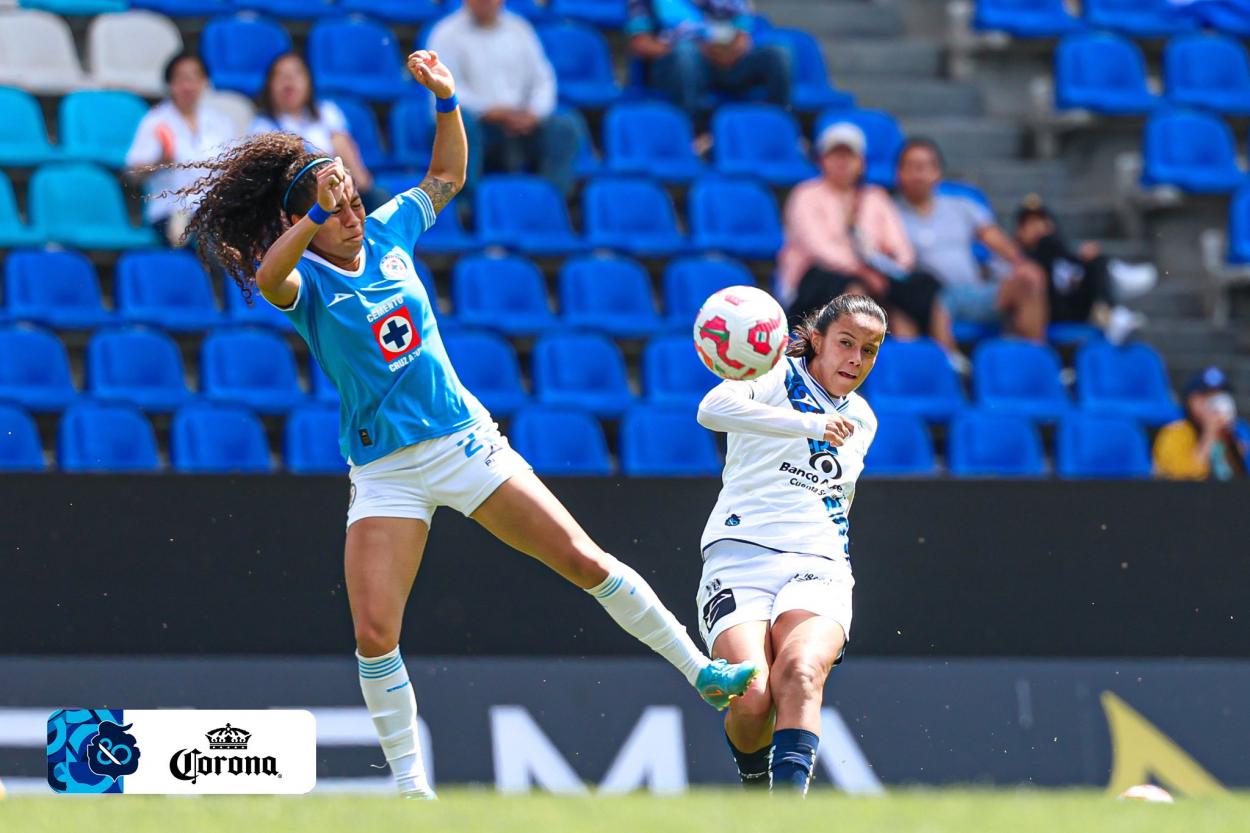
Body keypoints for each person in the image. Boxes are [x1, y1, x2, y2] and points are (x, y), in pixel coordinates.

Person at [172, 49, 756, 800]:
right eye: (333, 208)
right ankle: (414, 792)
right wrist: (316, 207)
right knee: (375, 633)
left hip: (463, 443)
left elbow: (445, 176)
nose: (351, 216)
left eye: (351, 202)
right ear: (301, 217)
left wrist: (447, 101)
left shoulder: (388, 231)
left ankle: (700, 670)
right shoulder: (305, 279)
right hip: (384, 471)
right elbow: (269, 277)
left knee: (582, 558)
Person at [695, 293, 885, 794]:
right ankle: (759, 797)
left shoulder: (863, 419)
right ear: (816, 339)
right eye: (846, 343)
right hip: (738, 555)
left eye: (870, 350)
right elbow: (711, 409)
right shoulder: (773, 375)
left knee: (800, 673)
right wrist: (811, 424)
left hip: (818, 562)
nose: (856, 359)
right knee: (752, 698)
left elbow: (834, 499)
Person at [779, 123, 961, 361]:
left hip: (876, 276)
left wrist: (888, 267)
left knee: (925, 287)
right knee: (857, 291)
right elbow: (819, 249)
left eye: (849, 155)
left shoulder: (875, 197)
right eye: (835, 155)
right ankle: (855, 362)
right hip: (817, 280)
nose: (842, 162)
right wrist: (864, 270)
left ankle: (944, 359)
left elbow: (902, 250)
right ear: (821, 160)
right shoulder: (806, 195)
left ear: (861, 162)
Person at [895, 138, 1050, 343]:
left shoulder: (962, 205)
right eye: (912, 167)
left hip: (974, 294)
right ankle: (952, 369)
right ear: (899, 173)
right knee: (921, 307)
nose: (918, 174)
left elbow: (994, 238)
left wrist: (1021, 264)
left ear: (937, 173)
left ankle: (1032, 362)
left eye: (924, 167)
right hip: (931, 299)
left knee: (1030, 279)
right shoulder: (889, 213)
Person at [426, 0, 585, 196]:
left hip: (521, 124)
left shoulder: (520, 29)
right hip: (479, 125)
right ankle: (467, 206)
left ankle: (550, 203)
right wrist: (489, 111)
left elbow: (543, 80)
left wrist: (534, 114)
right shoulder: (445, 33)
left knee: (565, 126)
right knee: (460, 123)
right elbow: (442, 89)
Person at [250, 52, 389, 212]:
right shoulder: (261, 127)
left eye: (296, 73)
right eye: (280, 75)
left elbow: (346, 152)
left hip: (340, 187)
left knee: (379, 196)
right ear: (269, 85)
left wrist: (361, 185)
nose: (288, 80)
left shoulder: (327, 111)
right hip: (297, 201)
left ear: (309, 81)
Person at [125, 51, 237, 245]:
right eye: (181, 79)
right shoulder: (156, 121)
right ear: (170, 84)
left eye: (195, 78)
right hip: (170, 210)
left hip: (215, 210)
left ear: (204, 82)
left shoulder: (220, 122)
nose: (188, 85)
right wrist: (160, 162)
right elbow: (132, 173)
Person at [627, 0, 791, 123]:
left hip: (725, 60)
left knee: (777, 53)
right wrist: (692, 49)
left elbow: (743, 34)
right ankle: (691, 132)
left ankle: (779, 125)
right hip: (676, 63)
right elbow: (640, 43)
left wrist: (733, 51)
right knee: (686, 54)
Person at [1014, 195, 1146, 345]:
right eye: (1031, 224)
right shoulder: (1020, 255)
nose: (1039, 228)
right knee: (1051, 247)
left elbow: (1070, 277)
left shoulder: (1057, 254)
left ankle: (1114, 311)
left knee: (1094, 260)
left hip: (1074, 308)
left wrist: (1085, 261)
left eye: (1042, 222)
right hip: (1044, 313)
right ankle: (1113, 273)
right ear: (1020, 231)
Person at [1154, 367, 1248, 481]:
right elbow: (1184, 479)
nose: (1216, 403)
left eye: (1221, 395)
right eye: (1208, 396)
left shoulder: (1237, 431)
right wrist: (1209, 434)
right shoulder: (1175, 434)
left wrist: (1235, 447)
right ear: (1193, 401)